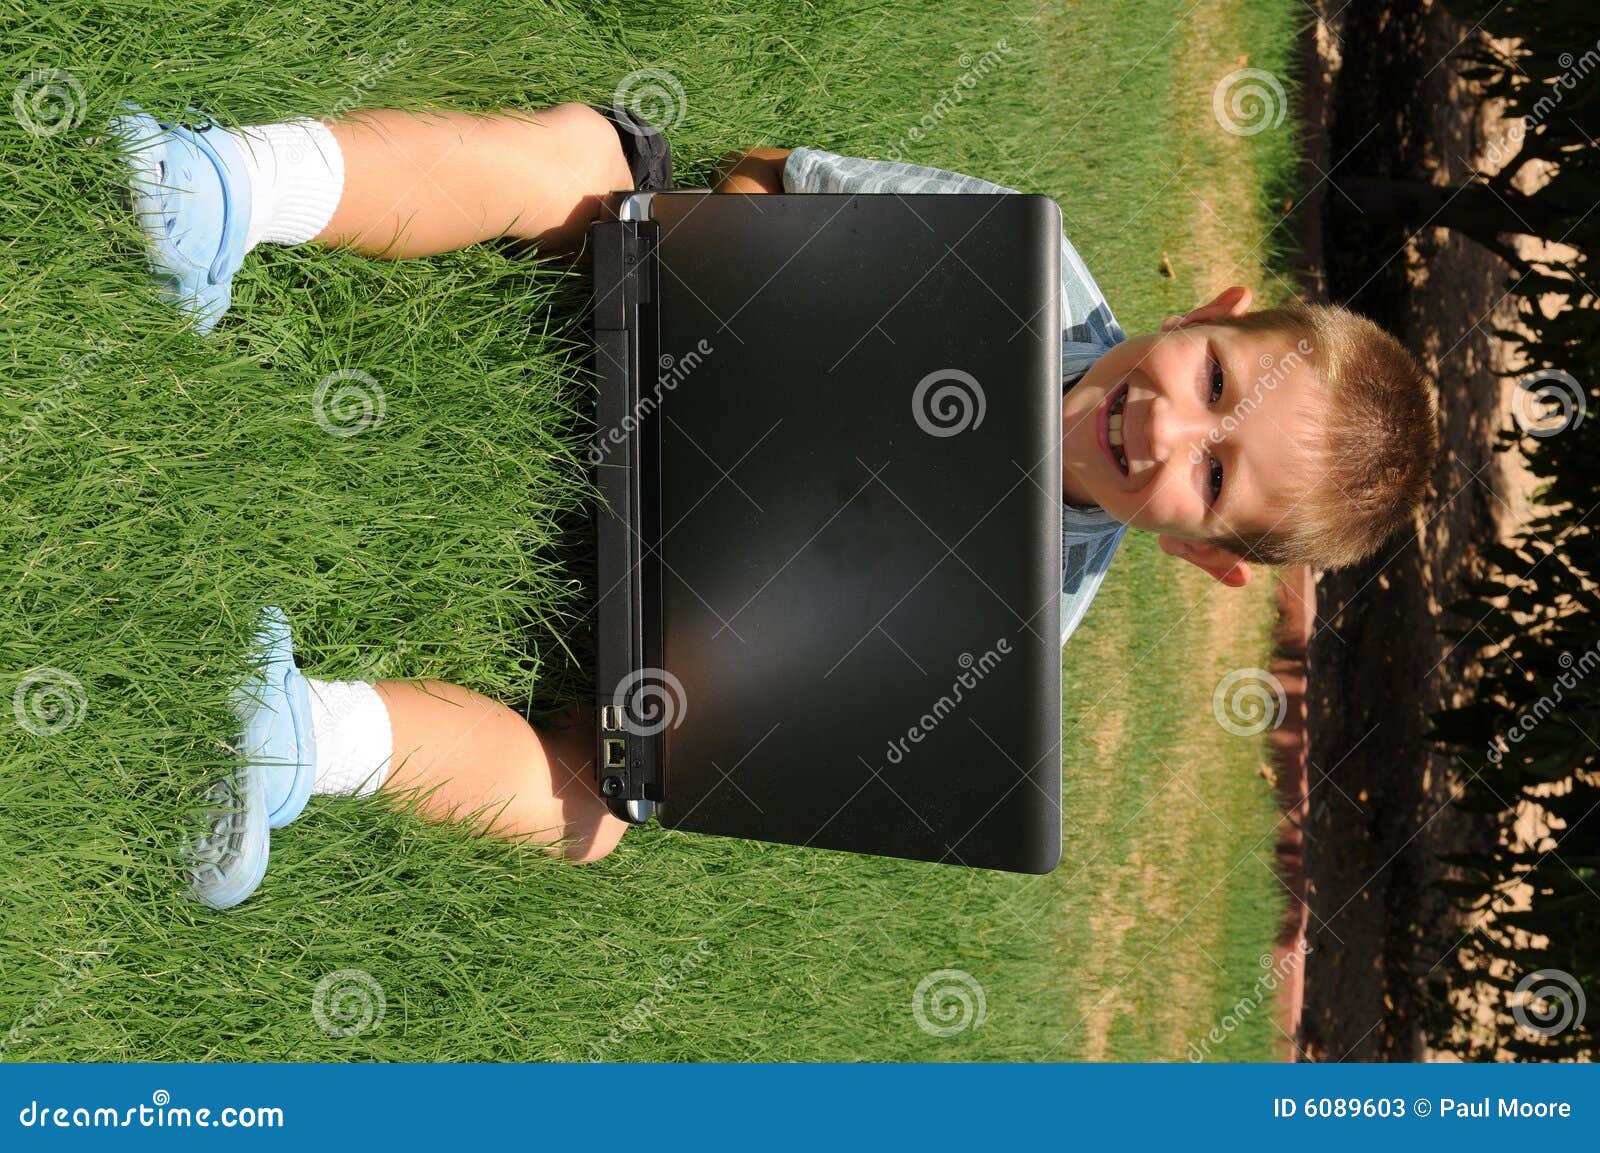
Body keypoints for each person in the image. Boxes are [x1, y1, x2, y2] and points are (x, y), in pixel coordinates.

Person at [107, 100, 1437, 909]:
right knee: (588, 155)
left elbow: (784, 738)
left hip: (671, 593)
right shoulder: (1026, 259)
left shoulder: (1024, 632)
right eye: (1212, 379)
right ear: (1209, 315)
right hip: (659, 320)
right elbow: (767, 174)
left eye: (1214, 473)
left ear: (1209, 558)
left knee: (595, 817)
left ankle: (299, 740)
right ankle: (236, 187)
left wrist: (714, 715)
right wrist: (748, 278)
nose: (1164, 426)